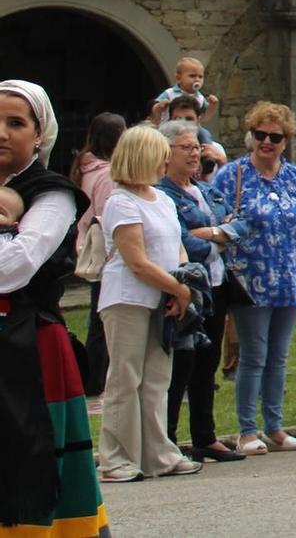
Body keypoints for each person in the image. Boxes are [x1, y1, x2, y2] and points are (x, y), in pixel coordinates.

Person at [0, 80, 109, 536]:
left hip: (29, 349)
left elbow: (16, 266)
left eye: (15, 123)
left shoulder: (52, 194)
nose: (2, 132)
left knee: (30, 456)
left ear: (39, 134)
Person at [210, 102, 296, 454]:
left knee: (279, 356)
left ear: (286, 140)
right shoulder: (233, 175)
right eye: (260, 135)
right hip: (250, 279)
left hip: (289, 278)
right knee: (253, 354)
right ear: (251, 136)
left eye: (274, 137)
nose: (266, 142)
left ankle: (275, 427)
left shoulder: (295, 177)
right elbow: (216, 217)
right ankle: (247, 429)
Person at [94, 124, 201, 483]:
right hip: (128, 299)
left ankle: (158, 453)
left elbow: (176, 248)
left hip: (162, 299)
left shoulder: (164, 199)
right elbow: (136, 261)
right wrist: (178, 289)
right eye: (160, 155)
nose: (166, 162)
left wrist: (179, 287)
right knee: (125, 378)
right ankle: (115, 458)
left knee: (156, 379)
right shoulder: (120, 201)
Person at [159, 120, 243, 463]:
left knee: (207, 363)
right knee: (182, 364)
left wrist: (214, 233)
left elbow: (239, 225)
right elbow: (184, 242)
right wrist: (218, 237)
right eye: (186, 147)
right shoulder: (163, 194)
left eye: (197, 147)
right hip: (187, 287)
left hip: (217, 284)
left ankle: (205, 436)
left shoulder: (206, 189)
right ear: (166, 152)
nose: (195, 154)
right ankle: (168, 438)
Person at [70, 111, 122, 397]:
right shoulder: (105, 174)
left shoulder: (85, 167)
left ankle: (93, 377)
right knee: (101, 321)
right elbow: (105, 213)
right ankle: (93, 379)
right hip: (102, 251)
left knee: (98, 317)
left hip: (87, 246)